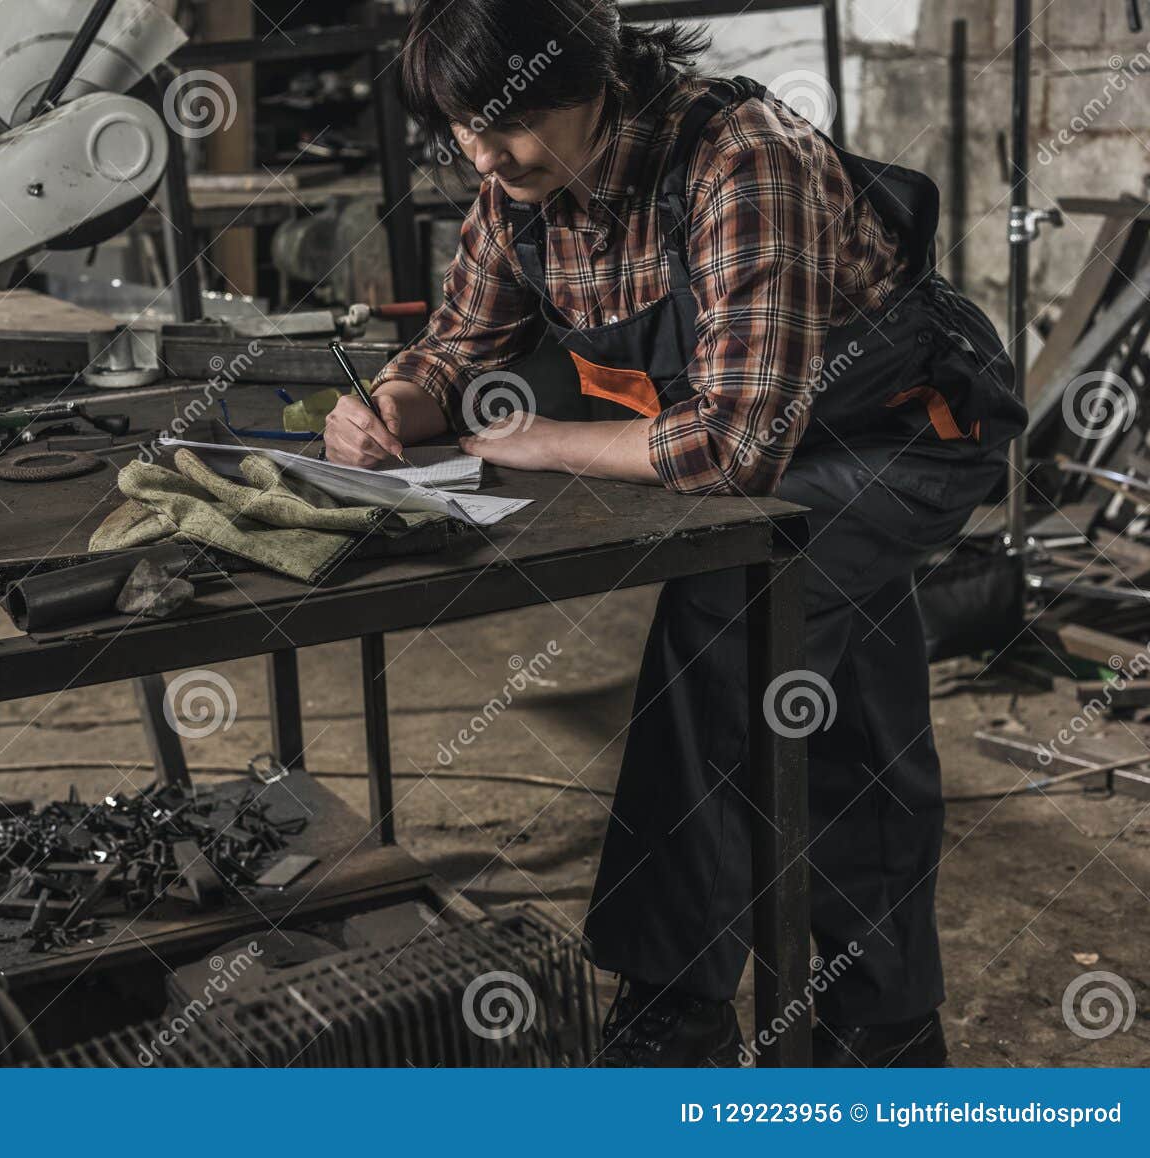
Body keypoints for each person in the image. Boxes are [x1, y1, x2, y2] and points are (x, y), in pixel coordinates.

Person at [325, 0, 1025, 1067]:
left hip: (900, 436)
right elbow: (456, 346)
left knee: (730, 613)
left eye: (500, 120)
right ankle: (886, 1025)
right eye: (460, 125)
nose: (480, 150)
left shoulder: (740, 162)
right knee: (843, 705)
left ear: (591, 75)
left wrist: (535, 440)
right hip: (772, 446)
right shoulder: (518, 180)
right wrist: (385, 404)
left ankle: (670, 1017)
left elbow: (731, 453)